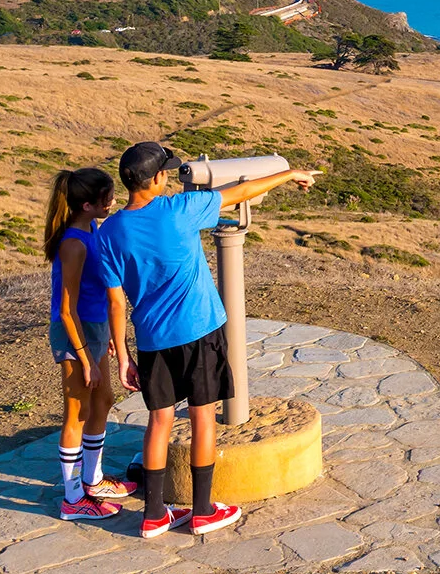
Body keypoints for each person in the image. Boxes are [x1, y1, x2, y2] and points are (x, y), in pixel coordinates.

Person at [97, 141, 317, 540]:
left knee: (159, 421)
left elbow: (115, 302)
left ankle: (152, 516)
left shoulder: (108, 232)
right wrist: (289, 174)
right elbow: (239, 193)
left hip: (151, 338)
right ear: (159, 178)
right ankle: (201, 511)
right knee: (202, 416)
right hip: (199, 329)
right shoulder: (181, 210)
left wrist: (123, 357)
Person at [45, 167, 137, 519]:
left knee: (105, 399)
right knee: (77, 412)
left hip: (94, 328)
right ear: (87, 205)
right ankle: (72, 499)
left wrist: (106, 341)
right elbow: (67, 310)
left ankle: (93, 479)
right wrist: (84, 358)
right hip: (76, 333)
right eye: (107, 198)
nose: (112, 202)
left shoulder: (93, 228)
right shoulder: (73, 244)